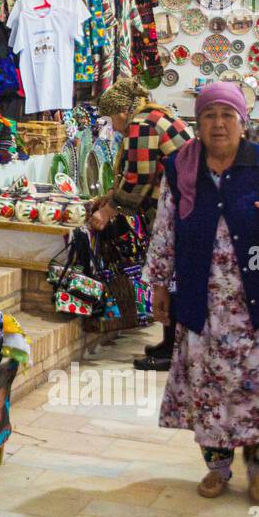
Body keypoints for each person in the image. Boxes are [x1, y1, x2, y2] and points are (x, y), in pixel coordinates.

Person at [146, 82, 259, 503]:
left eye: (227, 115)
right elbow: (165, 229)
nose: (218, 124)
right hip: (203, 306)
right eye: (208, 116)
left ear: (243, 121)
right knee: (210, 392)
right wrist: (159, 284)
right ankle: (217, 470)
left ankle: (258, 471)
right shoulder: (181, 167)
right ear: (197, 123)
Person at [86, 78, 192, 371]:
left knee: (171, 278)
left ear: (121, 112)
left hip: (177, 208)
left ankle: (170, 350)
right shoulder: (156, 115)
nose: (115, 128)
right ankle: (169, 342)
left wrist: (109, 210)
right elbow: (145, 171)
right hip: (184, 205)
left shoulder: (142, 124)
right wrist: (110, 196)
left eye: (111, 120)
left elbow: (138, 178)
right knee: (174, 277)